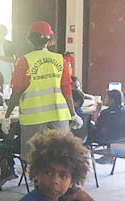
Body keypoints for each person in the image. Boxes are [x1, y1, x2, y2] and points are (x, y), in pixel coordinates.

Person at [16, 130, 122, 201]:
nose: (55, 181)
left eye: (63, 176)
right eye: (47, 172)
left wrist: (85, 198)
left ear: (73, 180)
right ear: (36, 173)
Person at [5, 21, 81, 162]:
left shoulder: (25, 61)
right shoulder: (60, 60)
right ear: (49, 39)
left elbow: (17, 92)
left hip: (34, 120)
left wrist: (7, 116)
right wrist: (73, 114)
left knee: (36, 161)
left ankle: (39, 184)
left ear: (30, 40)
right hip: (59, 118)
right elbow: (67, 90)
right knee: (60, 159)